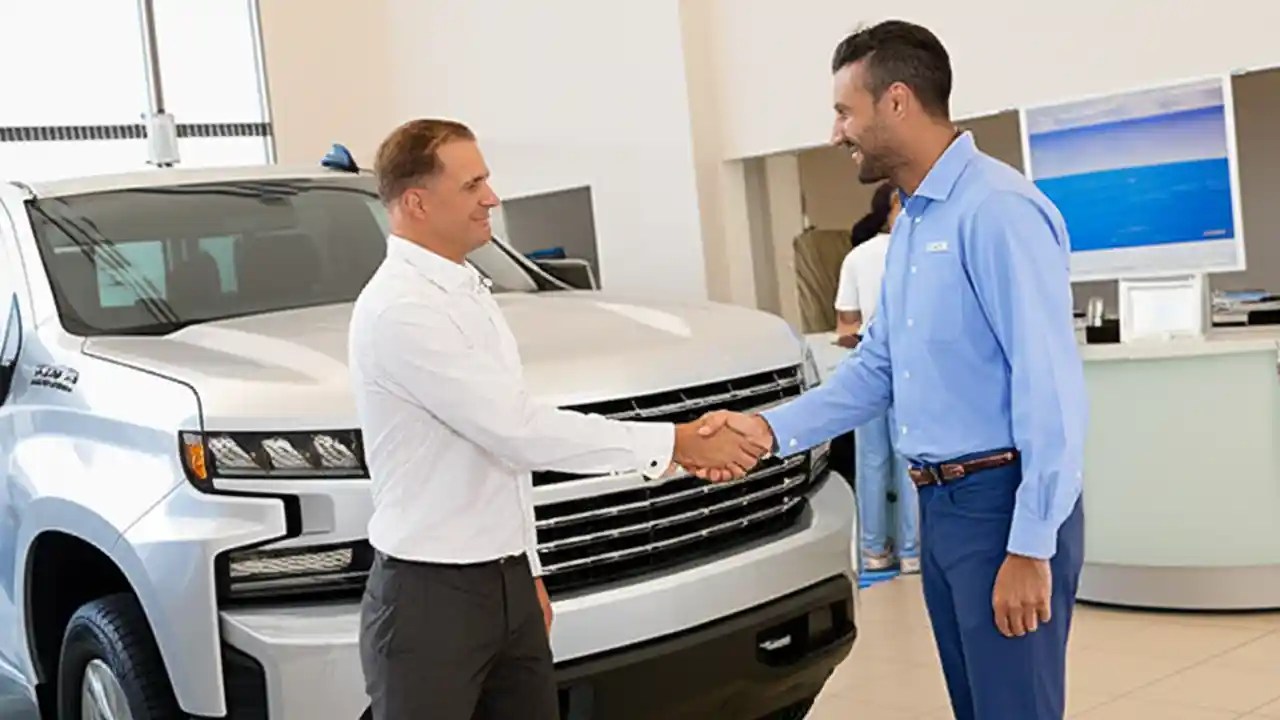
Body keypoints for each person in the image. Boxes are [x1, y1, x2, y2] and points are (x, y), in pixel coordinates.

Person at [695, 19, 1087, 720]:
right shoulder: (915, 221)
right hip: (941, 506)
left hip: (1002, 507)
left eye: (845, 111)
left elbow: (1049, 387)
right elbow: (876, 368)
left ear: (897, 101)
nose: (836, 133)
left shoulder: (997, 211)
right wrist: (765, 430)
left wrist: (1032, 545)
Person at [348, 118, 766, 720]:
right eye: (472, 185)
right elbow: (514, 430)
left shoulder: (466, 291)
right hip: (431, 600)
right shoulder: (400, 310)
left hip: (505, 584)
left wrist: (528, 570)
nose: (491, 198)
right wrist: (675, 442)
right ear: (417, 202)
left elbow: (498, 461)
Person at [833, 182, 919, 574]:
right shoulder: (916, 249)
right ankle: (912, 552)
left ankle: (873, 551)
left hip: (867, 367)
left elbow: (845, 326)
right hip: (912, 367)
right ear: (896, 204)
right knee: (909, 459)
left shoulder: (856, 257)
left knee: (870, 462)